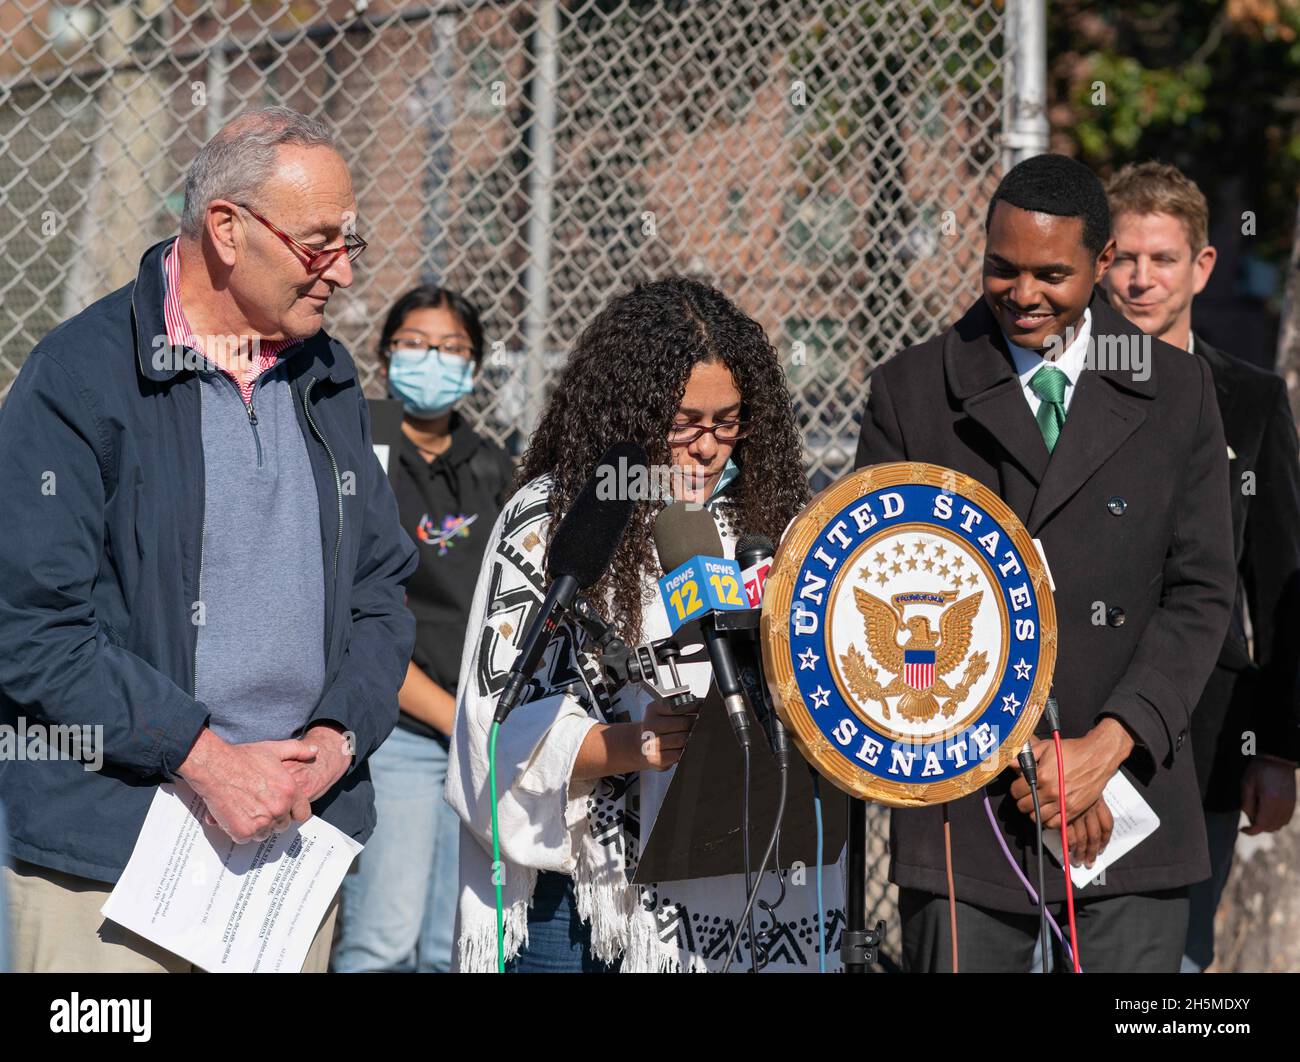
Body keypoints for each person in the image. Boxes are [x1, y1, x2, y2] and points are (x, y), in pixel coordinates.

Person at [0, 106, 418, 972]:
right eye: (317, 244)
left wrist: (337, 740)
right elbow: (31, 626)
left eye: (351, 242)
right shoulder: (78, 379)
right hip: (115, 860)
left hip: (291, 856)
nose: (341, 271)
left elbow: (381, 594)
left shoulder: (328, 378)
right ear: (226, 229)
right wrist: (205, 759)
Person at [855, 153, 1235, 972]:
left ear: (1101, 264)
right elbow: (882, 591)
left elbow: (1201, 591)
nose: (1022, 296)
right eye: (1002, 268)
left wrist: (1108, 744)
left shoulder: (1177, 390)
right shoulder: (911, 394)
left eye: (1051, 275)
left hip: (1131, 805)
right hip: (965, 810)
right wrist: (1029, 751)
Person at [446, 276, 844, 972]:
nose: (708, 446)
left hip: (728, 885)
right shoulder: (554, 519)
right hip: (576, 901)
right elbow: (494, 717)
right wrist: (628, 745)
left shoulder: (769, 525)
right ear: (630, 412)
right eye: (685, 421)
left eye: (728, 422)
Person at [1102, 161, 1300, 973]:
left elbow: (1281, 575)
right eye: (1124, 258)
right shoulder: (1058, 392)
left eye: (1163, 259)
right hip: (1078, 727)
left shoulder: (1251, 399)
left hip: (1211, 738)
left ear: (1203, 267)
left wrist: (1281, 750)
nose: (1142, 279)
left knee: (1176, 964)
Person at [332, 286, 514, 973]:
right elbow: (352, 609)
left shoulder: (494, 466)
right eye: (414, 343)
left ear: (474, 365)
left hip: (480, 730)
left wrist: (480, 718)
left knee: (454, 947)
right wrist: (448, 714)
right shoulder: (360, 448)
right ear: (383, 354)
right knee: (384, 940)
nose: (431, 359)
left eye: (451, 348)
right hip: (399, 728)